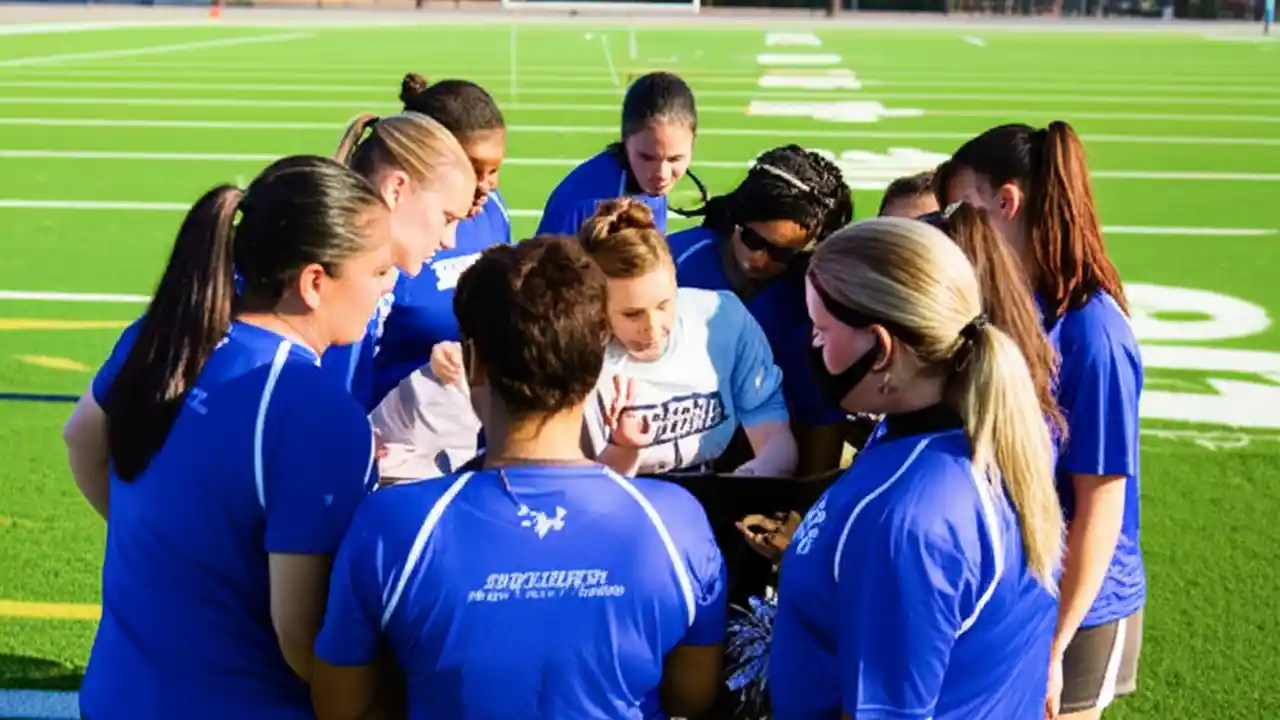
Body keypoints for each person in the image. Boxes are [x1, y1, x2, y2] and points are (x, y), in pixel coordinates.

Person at [310, 236, 726, 720]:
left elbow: (340, 707)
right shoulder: (677, 524)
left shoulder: (393, 526)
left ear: (473, 363)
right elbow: (691, 697)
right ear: (596, 360)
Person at [61, 156, 395, 718]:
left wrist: (175, 554)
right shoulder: (314, 410)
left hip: (116, 695)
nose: (392, 285)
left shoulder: (163, 337)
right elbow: (302, 641)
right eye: (380, 272)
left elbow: (80, 438)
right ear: (315, 282)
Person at [768, 217, 1065, 720]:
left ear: (882, 349)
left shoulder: (904, 519)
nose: (813, 347)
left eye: (822, 330)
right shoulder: (971, 433)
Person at [939, 120, 1144, 720]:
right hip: (1022, 595)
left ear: (1006, 202)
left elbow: (1100, 502)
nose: (954, 229)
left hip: (1081, 612)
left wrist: (1055, 644)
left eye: (963, 209)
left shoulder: (1093, 331)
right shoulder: (1007, 304)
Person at [667, 144, 854, 476]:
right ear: (737, 217)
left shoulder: (808, 301)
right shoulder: (672, 264)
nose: (759, 259)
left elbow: (820, 418)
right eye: (752, 239)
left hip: (765, 460)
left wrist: (799, 512)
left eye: (781, 253)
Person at [581, 198, 796, 477]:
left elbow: (774, 439)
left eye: (664, 304)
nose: (653, 327)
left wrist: (746, 483)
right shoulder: (577, 353)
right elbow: (579, 488)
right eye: (632, 314)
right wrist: (624, 449)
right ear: (596, 306)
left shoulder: (722, 319)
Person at [369, 73, 512, 481]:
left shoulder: (491, 212)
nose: (486, 185)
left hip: (458, 438)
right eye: (475, 168)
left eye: (495, 170)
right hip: (389, 447)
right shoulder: (394, 236)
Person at [321, 110, 477, 410]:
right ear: (396, 190)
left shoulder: (381, 279)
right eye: (447, 218)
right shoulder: (330, 282)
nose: (450, 241)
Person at [536, 71, 704, 237]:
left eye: (675, 159)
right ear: (626, 140)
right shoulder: (580, 205)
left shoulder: (646, 183)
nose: (662, 174)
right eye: (646, 157)